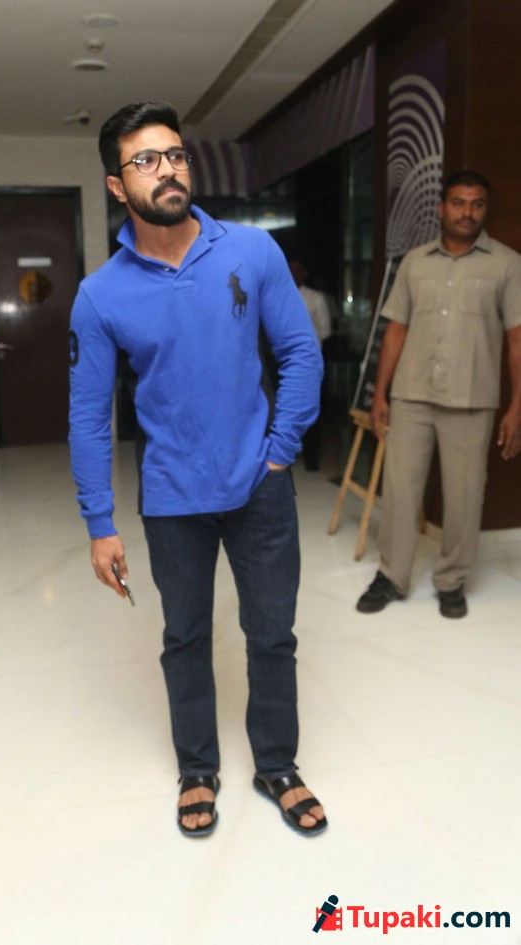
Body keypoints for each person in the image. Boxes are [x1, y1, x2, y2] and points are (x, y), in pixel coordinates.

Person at [69, 101, 327, 838]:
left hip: (260, 486)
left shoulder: (251, 251)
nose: (168, 169)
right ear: (117, 185)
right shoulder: (100, 295)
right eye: (145, 160)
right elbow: (89, 416)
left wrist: (278, 451)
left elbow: (300, 353)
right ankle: (197, 769)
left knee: (272, 633)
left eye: (176, 154)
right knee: (185, 636)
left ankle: (277, 763)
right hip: (172, 496)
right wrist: (99, 522)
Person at [357, 170, 521, 619]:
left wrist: (517, 406)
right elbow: (396, 330)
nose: (468, 212)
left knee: (466, 496)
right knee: (399, 490)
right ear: (441, 208)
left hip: (472, 399)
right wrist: (380, 394)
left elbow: (517, 339)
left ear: (485, 209)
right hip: (411, 396)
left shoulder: (507, 264)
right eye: (459, 203)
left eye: (477, 204)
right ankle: (391, 575)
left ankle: (452, 580)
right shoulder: (414, 262)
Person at [289, 259, 332, 470]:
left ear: (304, 274)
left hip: (310, 362)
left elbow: (325, 330)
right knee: (284, 410)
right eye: (289, 271)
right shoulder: (278, 295)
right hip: (281, 363)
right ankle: (285, 456)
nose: (293, 275)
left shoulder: (316, 298)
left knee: (310, 409)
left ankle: (311, 458)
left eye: (297, 271)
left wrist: (304, 344)